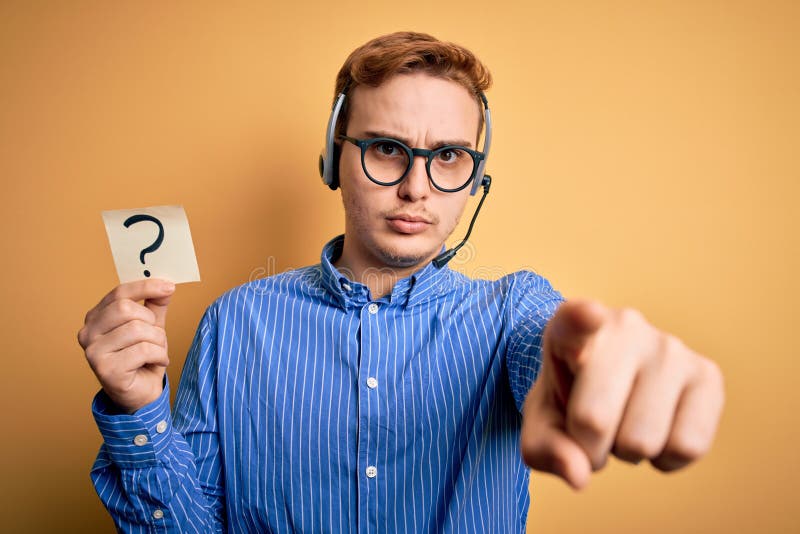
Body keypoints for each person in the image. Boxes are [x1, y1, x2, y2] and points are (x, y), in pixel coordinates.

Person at [78, 32, 725, 533]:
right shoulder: (234, 323)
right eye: (388, 148)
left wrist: (593, 366)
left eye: (448, 157)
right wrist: (140, 411)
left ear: (474, 179)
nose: (417, 186)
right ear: (335, 156)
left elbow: (554, 344)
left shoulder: (511, 313)